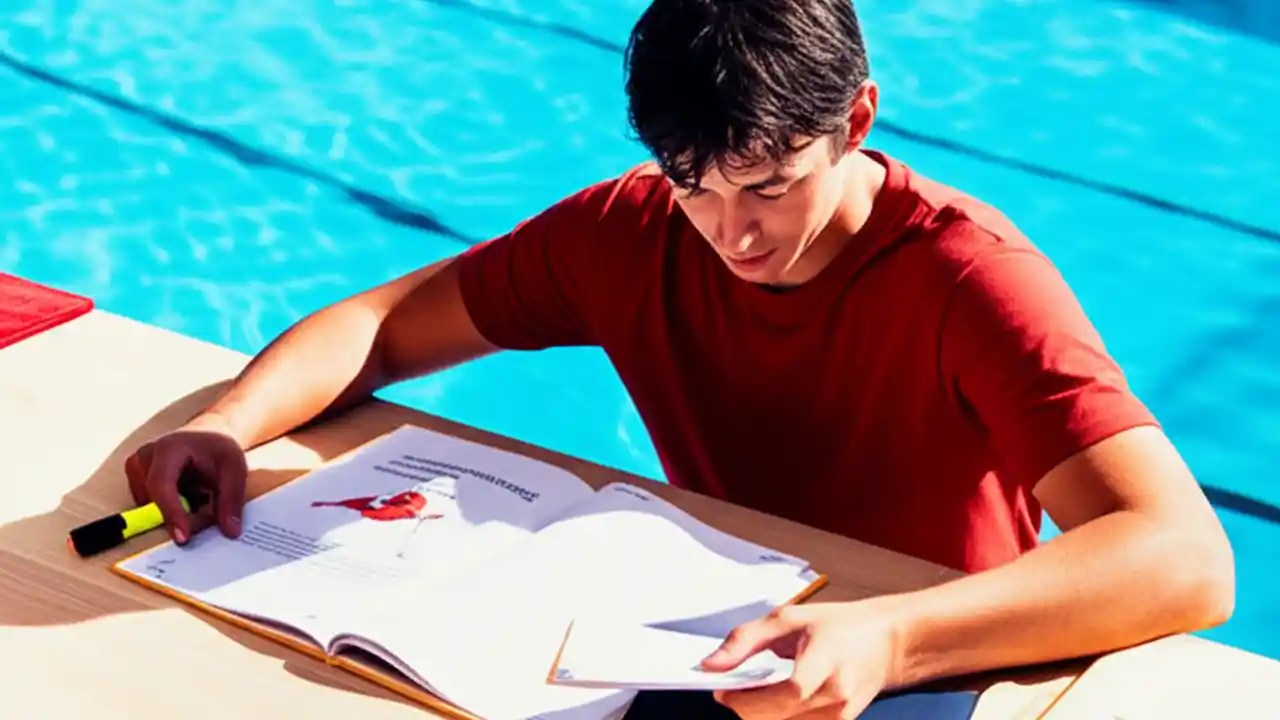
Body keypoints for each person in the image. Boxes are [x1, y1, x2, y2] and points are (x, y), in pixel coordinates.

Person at [124, 1, 1234, 717]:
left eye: (768, 184)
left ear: (854, 119)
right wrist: (229, 425)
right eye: (696, 185)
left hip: (927, 667)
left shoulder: (968, 279)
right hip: (695, 651)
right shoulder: (632, 229)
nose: (733, 234)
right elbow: (378, 325)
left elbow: (1183, 559)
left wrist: (888, 635)